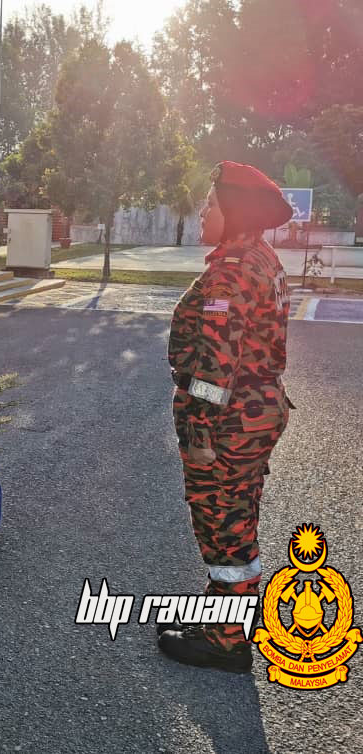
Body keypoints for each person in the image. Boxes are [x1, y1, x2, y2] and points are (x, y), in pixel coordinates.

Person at [159, 160, 294, 673]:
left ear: (234, 212)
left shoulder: (231, 270)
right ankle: (223, 623)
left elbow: (215, 367)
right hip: (257, 410)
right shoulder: (261, 257)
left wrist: (198, 432)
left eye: (211, 203)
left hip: (230, 420)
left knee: (223, 526)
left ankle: (227, 643)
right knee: (236, 517)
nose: (202, 211)